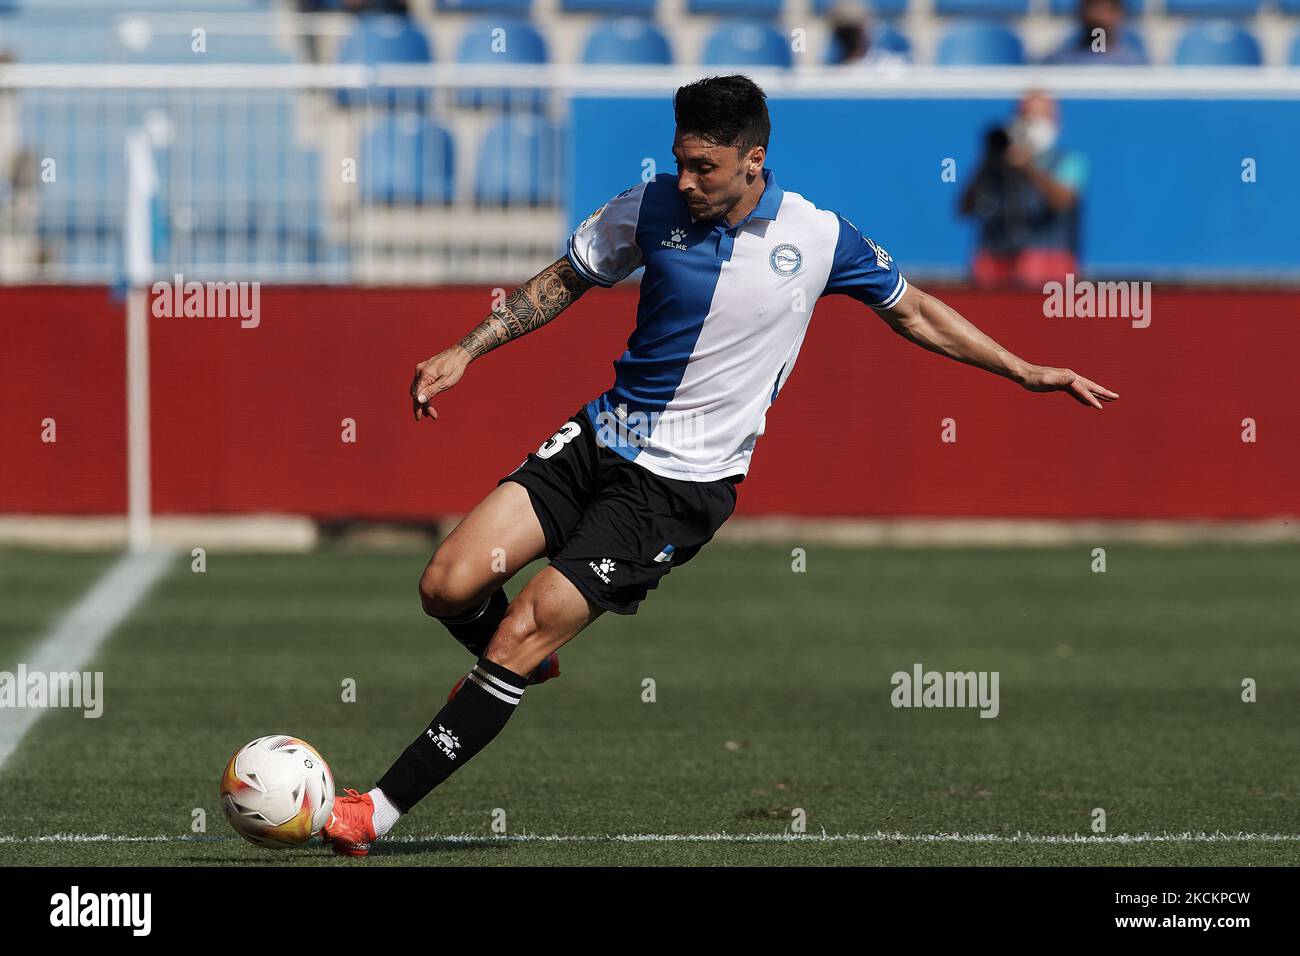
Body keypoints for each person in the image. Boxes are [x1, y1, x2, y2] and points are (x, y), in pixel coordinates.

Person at [320, 74, 1119, 856]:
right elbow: (567, 278)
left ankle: (379, 810)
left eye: (705, 166)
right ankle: (528, 656)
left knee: (518, 632)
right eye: (680, 161)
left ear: (754, 161)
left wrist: (1023, 369)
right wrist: (467, 349)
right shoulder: (650, 207)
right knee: (446, 585)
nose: (687, 180)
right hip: (602, 438)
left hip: (676, 489)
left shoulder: (816, 236)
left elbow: (913, 310)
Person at [960, 91, 1088, 288]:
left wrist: (1029, 167)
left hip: (1049, 267)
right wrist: (987, 161)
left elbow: (1063, 201)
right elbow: (964, 209)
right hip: (995, 265)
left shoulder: (1070, 161)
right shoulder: (997, 164)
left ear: (1055, 121)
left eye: (1039, 117)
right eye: (1025, 116)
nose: (1030, 123)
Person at [1043, 0, 1148, 66]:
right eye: (1092, 8)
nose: (1098, 16)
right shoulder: (1060, 61)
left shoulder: (1135, 64)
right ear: (1081, 12)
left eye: (1107, 10)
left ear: (1119, 14)